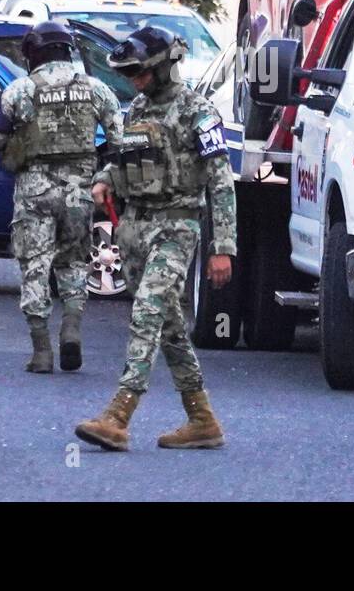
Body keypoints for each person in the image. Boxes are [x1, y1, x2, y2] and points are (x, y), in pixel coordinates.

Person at [74, 26, 236, 451]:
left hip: (177, 227)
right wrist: (106, 178)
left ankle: (118, 415)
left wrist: (222, 248)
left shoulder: (198, 112)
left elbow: (222, 183)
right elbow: (125, 156)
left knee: (147, 311)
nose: (135, 80)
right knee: (169, 328)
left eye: (140, 72)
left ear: (164, 67)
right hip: (135, 230)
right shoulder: (138, 108)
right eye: (130, 74)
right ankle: (202, 420)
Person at [0, 20, 121, 373]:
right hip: (79, 189)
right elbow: (119, 137)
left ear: (33, 53)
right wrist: (103, 172)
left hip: (34, 190)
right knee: (73, 262)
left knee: (35, 266)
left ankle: (41, 351)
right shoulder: (97, 88)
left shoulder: (19, 90)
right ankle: (72, 330)